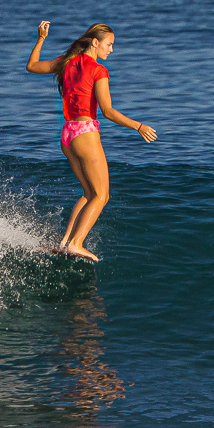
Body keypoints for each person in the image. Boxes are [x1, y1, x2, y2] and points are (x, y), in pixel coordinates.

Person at [27, 20, 156, 261]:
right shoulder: (98, 70)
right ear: (95, 43)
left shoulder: (65, 62)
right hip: (85, 133)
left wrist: (41, 38)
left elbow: (32, 66)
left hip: (67, 134)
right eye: (109, 44)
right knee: (101, 196)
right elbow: (107, 111)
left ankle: (64, 243)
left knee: (88, 193)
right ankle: (76, 243)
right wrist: (138, 126)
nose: (111, 50)